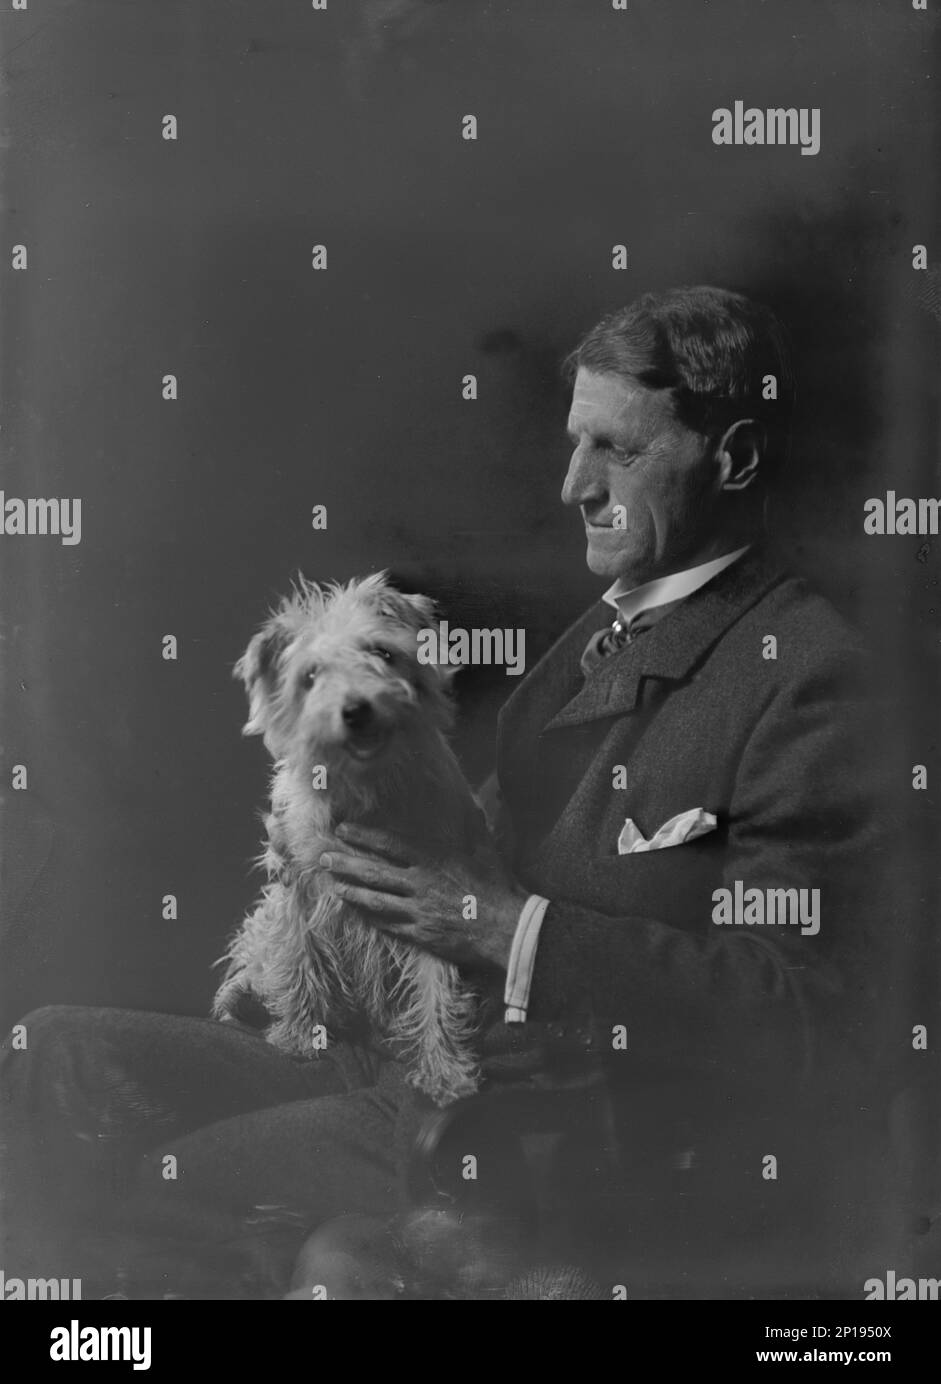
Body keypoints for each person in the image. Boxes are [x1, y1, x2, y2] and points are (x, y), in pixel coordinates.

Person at [0, 286, 883, 1297]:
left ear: (731, 457)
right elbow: (451, 848)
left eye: (616, 450)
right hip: (403, 1057)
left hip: (543, 1132)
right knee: (55, 1053)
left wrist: (514, 933)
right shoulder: (592, 644)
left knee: (127, 1192)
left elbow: (817, 1017)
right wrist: (301, 953)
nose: (573, 486)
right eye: (571, 445)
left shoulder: (805, 674)